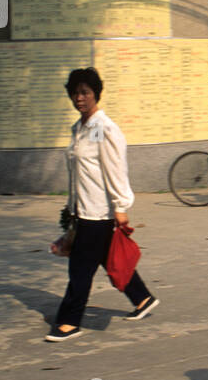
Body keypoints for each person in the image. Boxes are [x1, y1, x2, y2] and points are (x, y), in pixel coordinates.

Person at [48, 67, 158, 341]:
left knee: (80, 269)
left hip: (99, 212)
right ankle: (142, 298)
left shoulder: (99, 128)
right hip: (83, 210)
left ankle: (69, 321)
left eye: (85, 92)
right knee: (107, 259)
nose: (79, 98)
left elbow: (113, 166)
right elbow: (79, 174)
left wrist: (121, 206)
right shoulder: (80, 128)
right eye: (75, 93)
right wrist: (70, 210)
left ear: (96, 93)